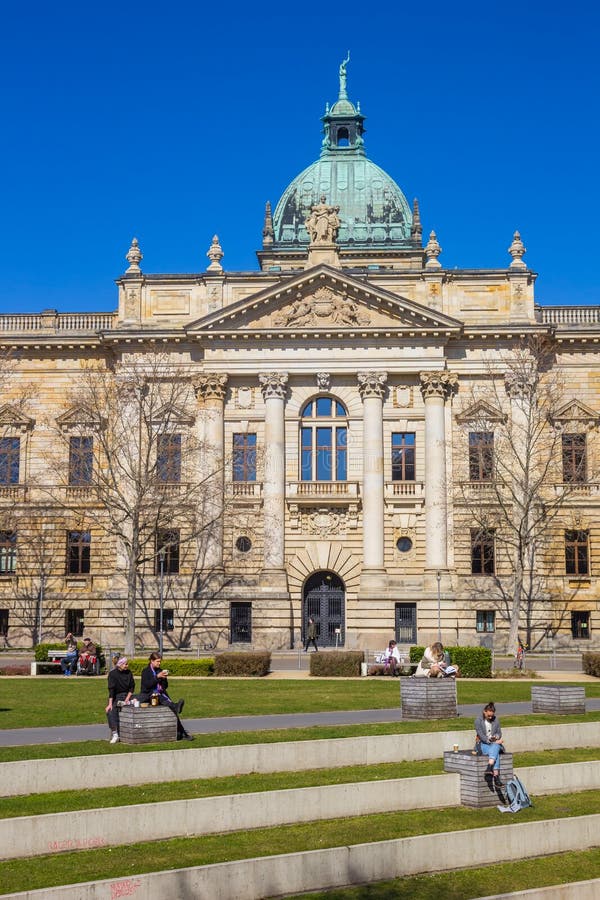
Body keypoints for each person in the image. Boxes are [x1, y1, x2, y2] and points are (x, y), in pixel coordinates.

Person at [138, 652, 193, 740]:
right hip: (149, 695)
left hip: (161, 694)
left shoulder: (160, 670)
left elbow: (165, 686)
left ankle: (183, 733)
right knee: (161, 698)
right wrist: (157, 677)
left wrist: (163, 679)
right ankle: (176, 706)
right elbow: (146, 685)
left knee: (173, 710)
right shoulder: (146, 671)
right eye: (157, 661)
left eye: (160, 662)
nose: (159, 663)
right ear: (152, 661)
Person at [474, 701, 505, 787]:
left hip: (493, 743)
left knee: (495, 748)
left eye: (492, 715)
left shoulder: (496, 720)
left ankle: (489, 767)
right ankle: (496, 777)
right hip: (483, 744)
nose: (491, 717)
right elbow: (481, 736)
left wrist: (496, 737)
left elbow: (499, 733)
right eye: (489, 715)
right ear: (485, 711)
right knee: (496, 751)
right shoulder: (478, 721)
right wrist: (492, 741)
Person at [105, 657, 135, 744]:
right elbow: (111, 690)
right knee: (110, 711)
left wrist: (127, 698)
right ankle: (115, 733)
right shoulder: (112, 674)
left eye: (127, 664)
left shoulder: (129, 673)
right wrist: (110, 704)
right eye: (125, 664)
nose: (127, 666)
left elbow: (132, 687)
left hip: (127, 695)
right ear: (120, 665)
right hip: (116, 696)